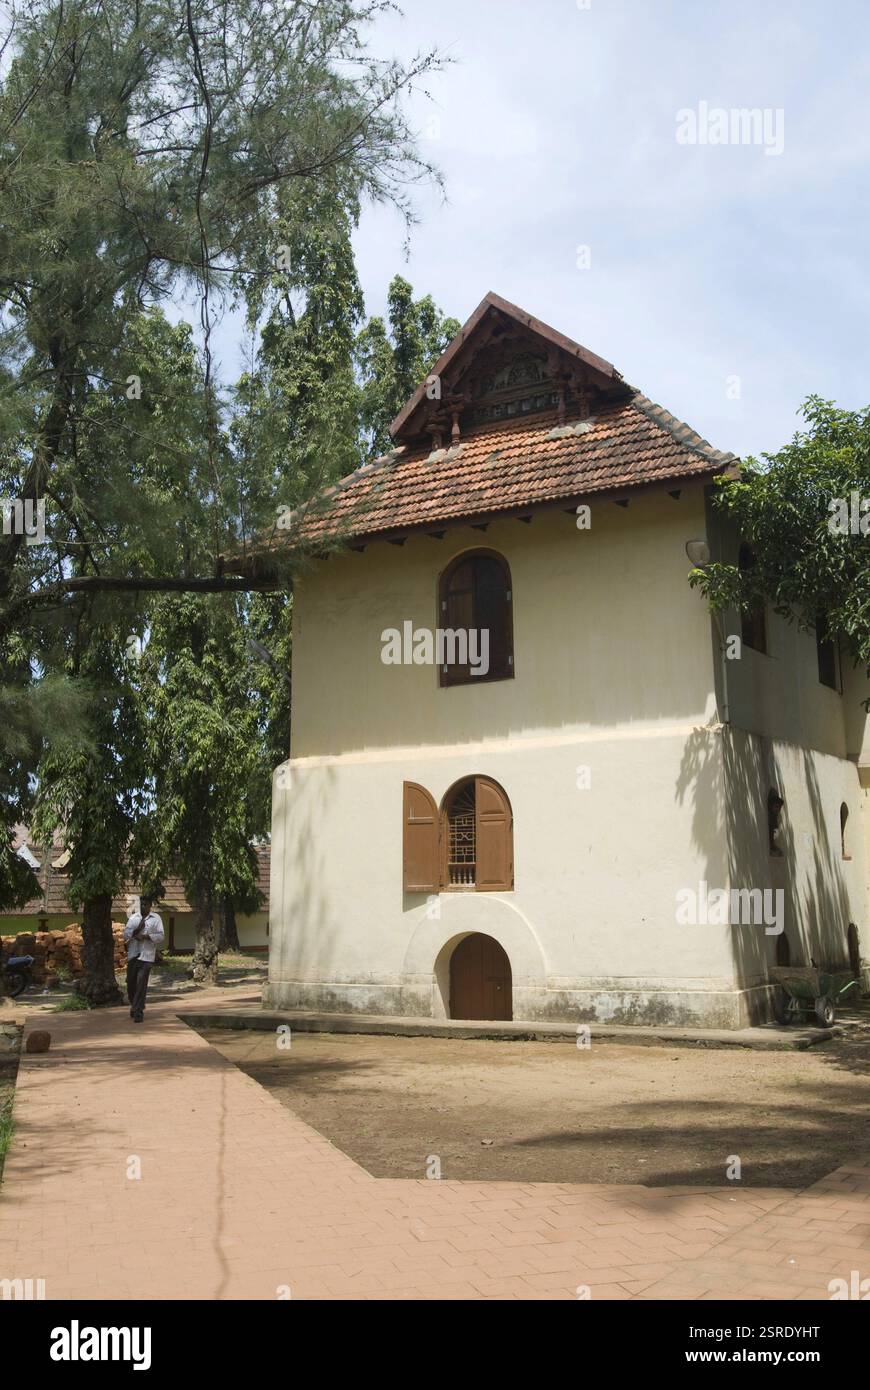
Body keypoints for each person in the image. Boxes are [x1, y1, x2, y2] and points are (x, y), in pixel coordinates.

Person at [123, 896, 165, 1023]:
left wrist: (147, 936)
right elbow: (126, 934)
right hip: (133, 955)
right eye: (141, 904)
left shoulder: (156, 918)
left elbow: (161, 936)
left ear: (150, 905)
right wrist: (137, 930)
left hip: (146, 956)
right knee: (131, 984)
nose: (143, 907)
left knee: (141, 984)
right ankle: (134, 1004)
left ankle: (138, 1011)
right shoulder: (133, 918)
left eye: (146, 904)